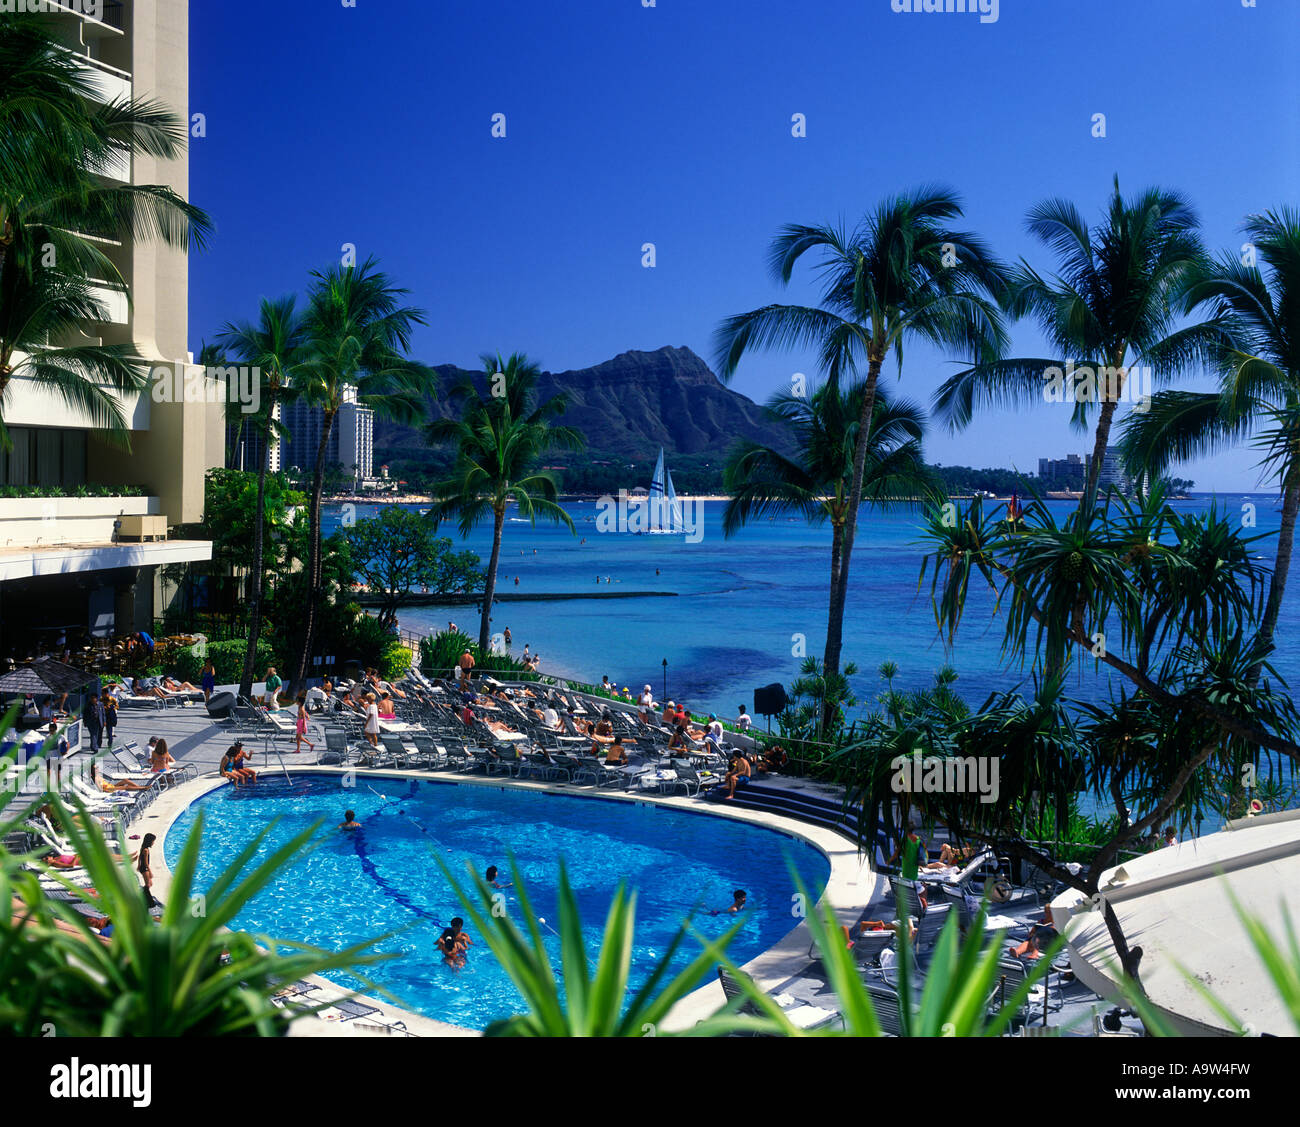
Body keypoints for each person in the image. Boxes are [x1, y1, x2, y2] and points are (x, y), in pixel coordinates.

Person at [135, 833, 160, 908]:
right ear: (149, 841)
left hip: (143, 867)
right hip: (144, 868)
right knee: (148, 885)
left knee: (149, 884)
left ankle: (144, 896)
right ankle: (147, 900)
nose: (153, 842)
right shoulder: (146, 850)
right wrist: (150, 872)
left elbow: (139, 856)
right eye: (153, 841)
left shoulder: (143, 847)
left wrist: (138, 865)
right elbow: (146, 863)